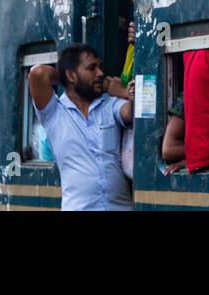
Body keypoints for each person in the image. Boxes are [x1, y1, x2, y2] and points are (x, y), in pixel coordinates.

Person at [28, 44, 134, 210]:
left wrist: (124, 93)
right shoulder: (54, 113)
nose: (100, 73)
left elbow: (130, 112)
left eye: (100, 67)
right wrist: (63, 76)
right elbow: (38, 73)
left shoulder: (109, 104)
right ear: (71, 75)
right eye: (92, 68)